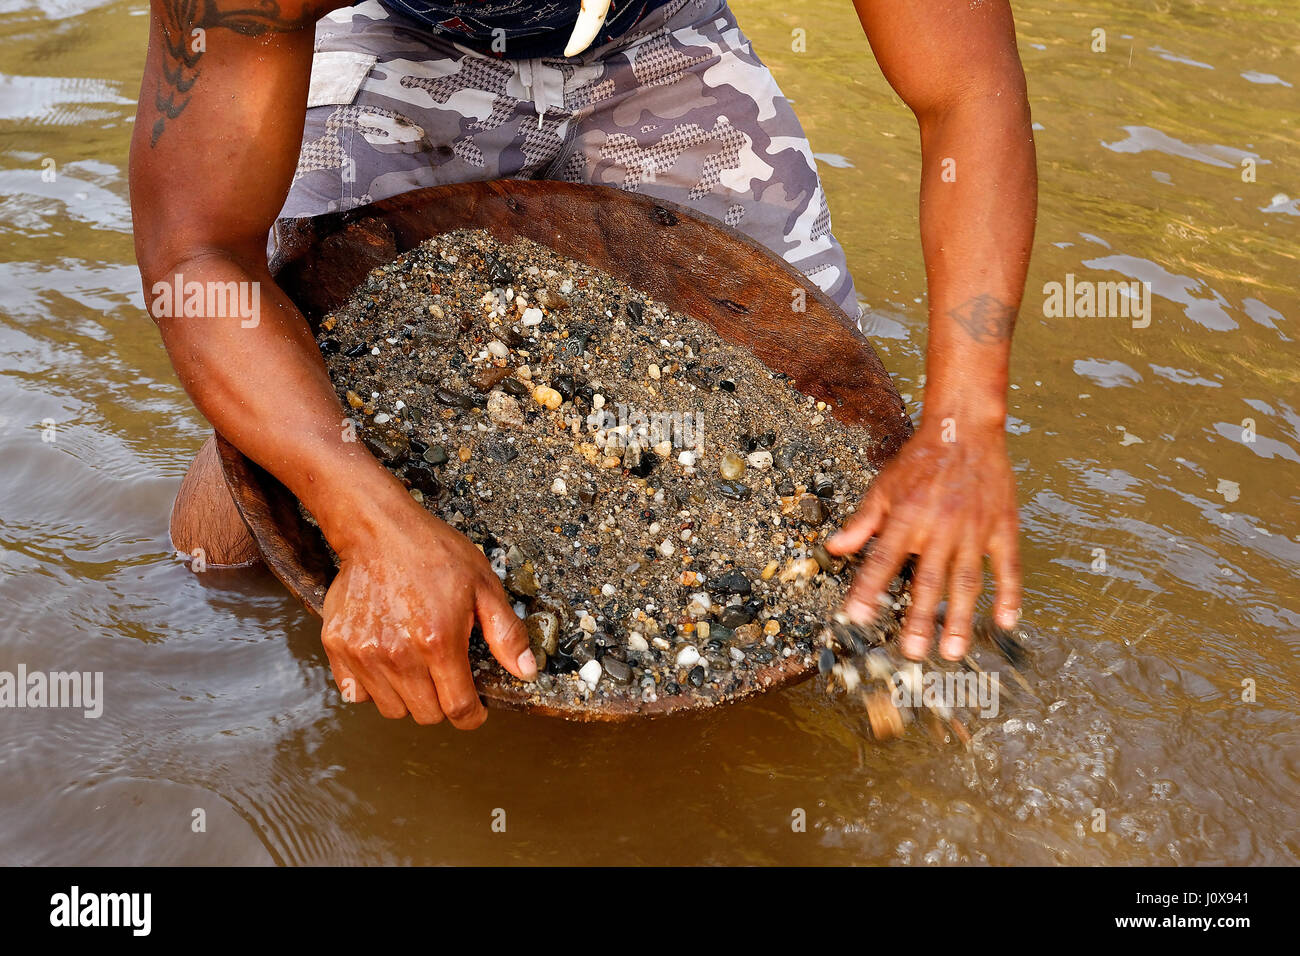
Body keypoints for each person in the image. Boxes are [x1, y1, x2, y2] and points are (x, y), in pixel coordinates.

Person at [130, 0, 1036, 728]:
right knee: (233, 543)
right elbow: (197, 256)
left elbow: (968, 89)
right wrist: (362, 516)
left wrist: (967, 421)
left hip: (655, 33)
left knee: (841, 486)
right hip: (399, 35)